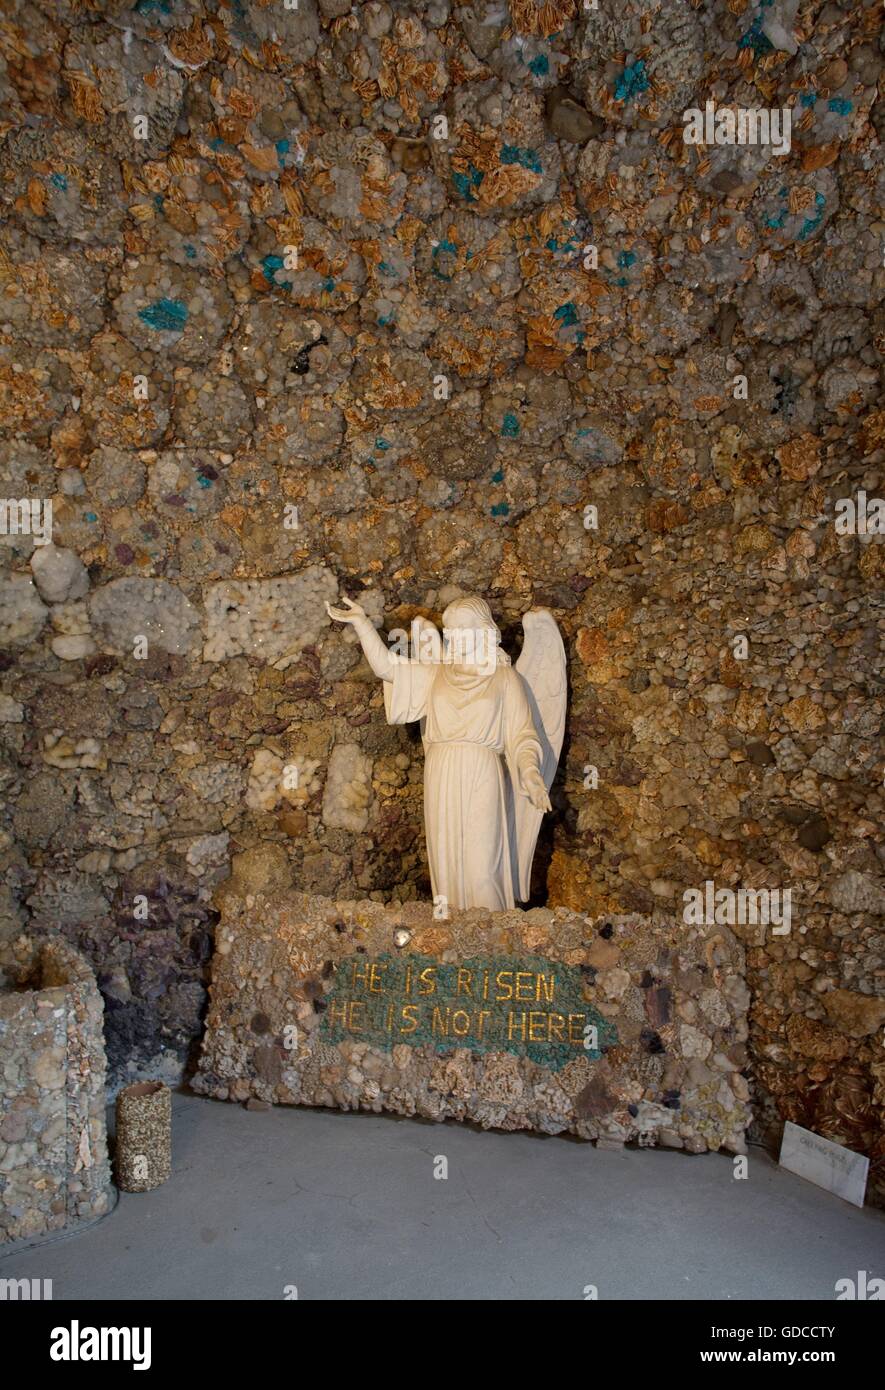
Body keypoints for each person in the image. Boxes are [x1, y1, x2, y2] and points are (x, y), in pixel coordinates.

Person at [326, 593, 551, 911]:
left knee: (482, 868)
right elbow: (387, 668)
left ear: (483, 630)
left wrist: (530, 772)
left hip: (481, 768)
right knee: (446, 867)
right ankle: (449, 939)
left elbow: (522, 735)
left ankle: (495, 942)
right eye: (451, 630)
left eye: (462, 629)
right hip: (441, 770)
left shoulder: (505, 679)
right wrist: (362, 624)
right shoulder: (437, 674)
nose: (455, 638)